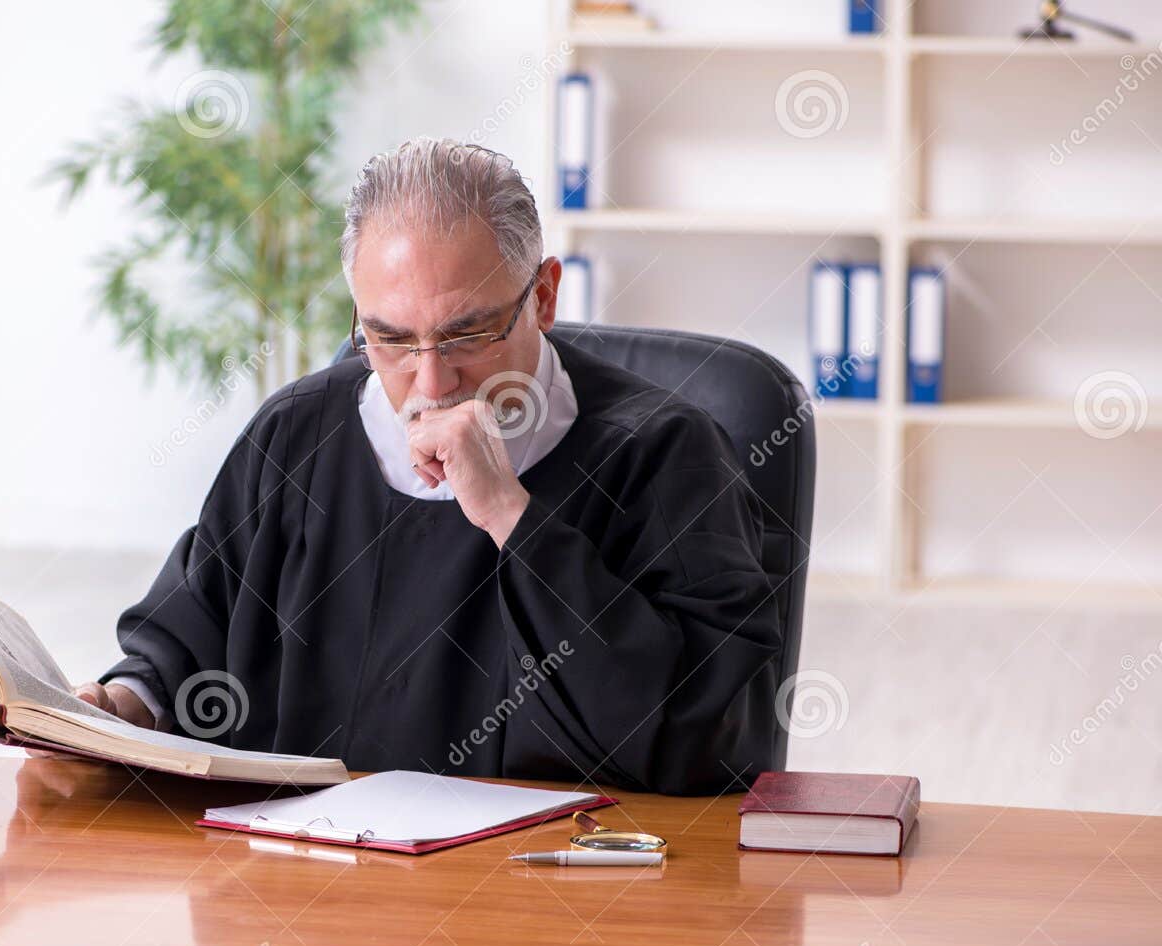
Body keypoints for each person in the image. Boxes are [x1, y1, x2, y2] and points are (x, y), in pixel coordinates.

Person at [76, 137, 781, 795]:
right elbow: (189, 633)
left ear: (542, 297)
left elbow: (709, 740)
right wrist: (124, 705)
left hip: (538, 898)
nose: (432, 382)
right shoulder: (296, 434)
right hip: (298, 888)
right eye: (388, 340)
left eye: (465, 334)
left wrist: (510, 513)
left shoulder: (666, 454)